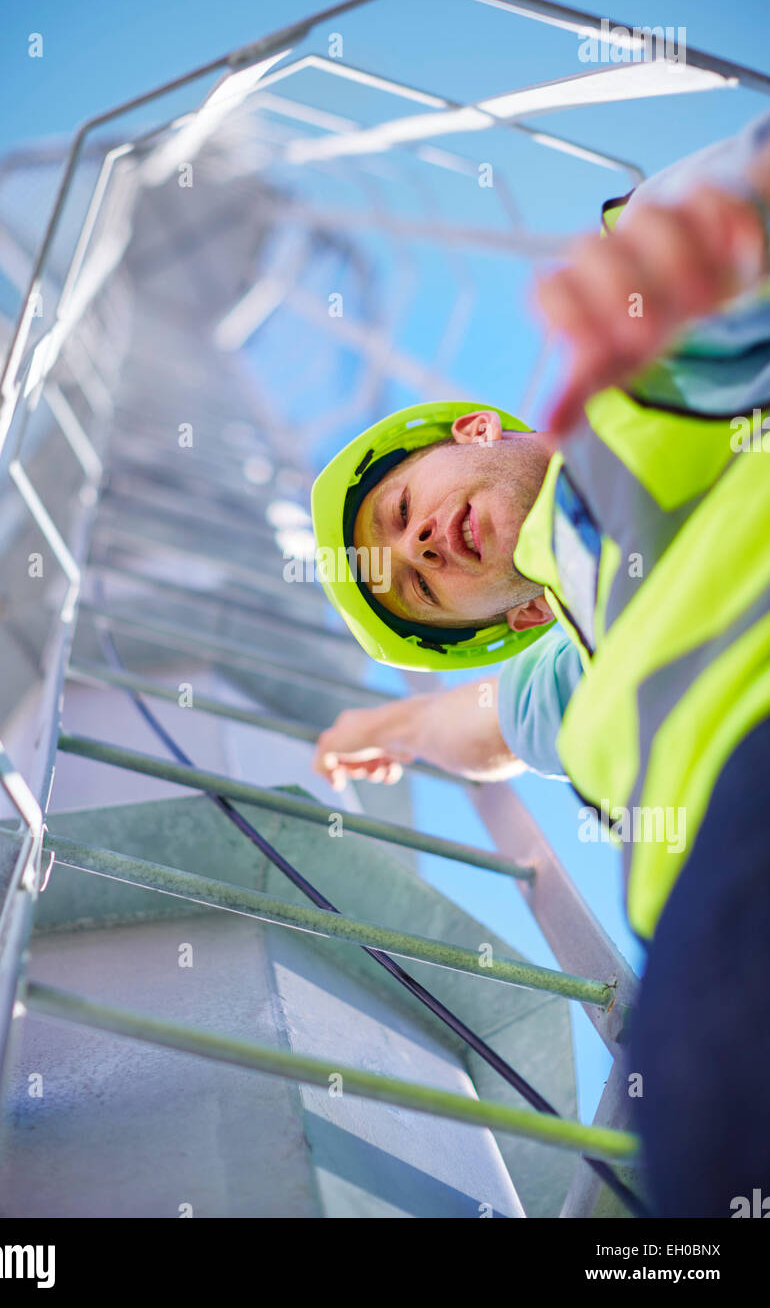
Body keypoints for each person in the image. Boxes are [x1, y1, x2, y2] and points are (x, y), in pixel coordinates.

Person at [309, 109, 770, 1217]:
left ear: (472, 428)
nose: (418, 547)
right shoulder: (582, 672)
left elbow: (709, 288)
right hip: (708, 941)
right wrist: (395, 728)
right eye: (415, 586)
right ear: (507, 623)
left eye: (402, 510)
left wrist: (720, 244)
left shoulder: (629, 393)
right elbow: (488, 726)